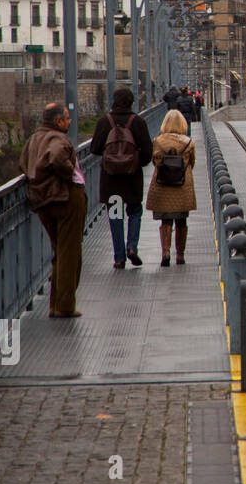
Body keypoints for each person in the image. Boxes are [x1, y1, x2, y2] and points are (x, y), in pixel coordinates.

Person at [19, 102, 86, 318]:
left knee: (60, 251)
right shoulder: (57, 138)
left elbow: (23, 165)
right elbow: (58, 157)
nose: (69, 121)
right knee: (70, 253)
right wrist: (69, 175)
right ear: (58, 121)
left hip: (42, 201)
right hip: (65, 198)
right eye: (67, 118)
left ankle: (54, 304)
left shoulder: (33, 140)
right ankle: (65, 305)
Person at [90, 86, 154, 270]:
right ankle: (132, 247)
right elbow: (148, 152)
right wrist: (133, 163)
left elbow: (94, 149)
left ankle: (119, 258)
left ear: (114, 101)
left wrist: (111, 160)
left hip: (111, 180)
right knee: (134, 212)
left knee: (115, 215)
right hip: (132, 178)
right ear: (131, 102)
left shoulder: (104, 122)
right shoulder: (137, 122)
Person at [146, 109, 197, 266]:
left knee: (166, 220)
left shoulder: (158, 141)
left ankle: (166, 252)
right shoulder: (189, 143)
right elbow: (192, 163)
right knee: (181, 221)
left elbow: (155, 162)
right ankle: (180, 255)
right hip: (182, 186)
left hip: (163, 186)